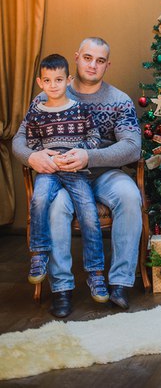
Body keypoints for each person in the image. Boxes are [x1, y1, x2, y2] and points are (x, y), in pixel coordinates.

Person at [12, 37, 142, 318]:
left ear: (107, 65)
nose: (93, 65)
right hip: (62, 175)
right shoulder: (50, 92)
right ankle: (62, 288)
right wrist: (32, 158)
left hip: (104, 173)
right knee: (57, 206)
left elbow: (133, 147)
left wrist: (89, 156)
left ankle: (120, 283)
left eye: (100, 60)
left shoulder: (119, 100)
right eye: (87, 58)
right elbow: (20, 140)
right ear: (76, 58)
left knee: (130, 195)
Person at [23, 54, 109, 304]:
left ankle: (95, 274)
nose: (53, 85)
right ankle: (39, 254)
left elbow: (94, 138)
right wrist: (44, 154)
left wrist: (76, 151)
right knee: (39, 199)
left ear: (68, 80)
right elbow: (32, 142)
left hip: (74, 171)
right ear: (40, 82)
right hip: (49, 171)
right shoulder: (36, 112)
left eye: (58, 80)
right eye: (47, 80)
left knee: (89, 214)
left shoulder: (80, 109)